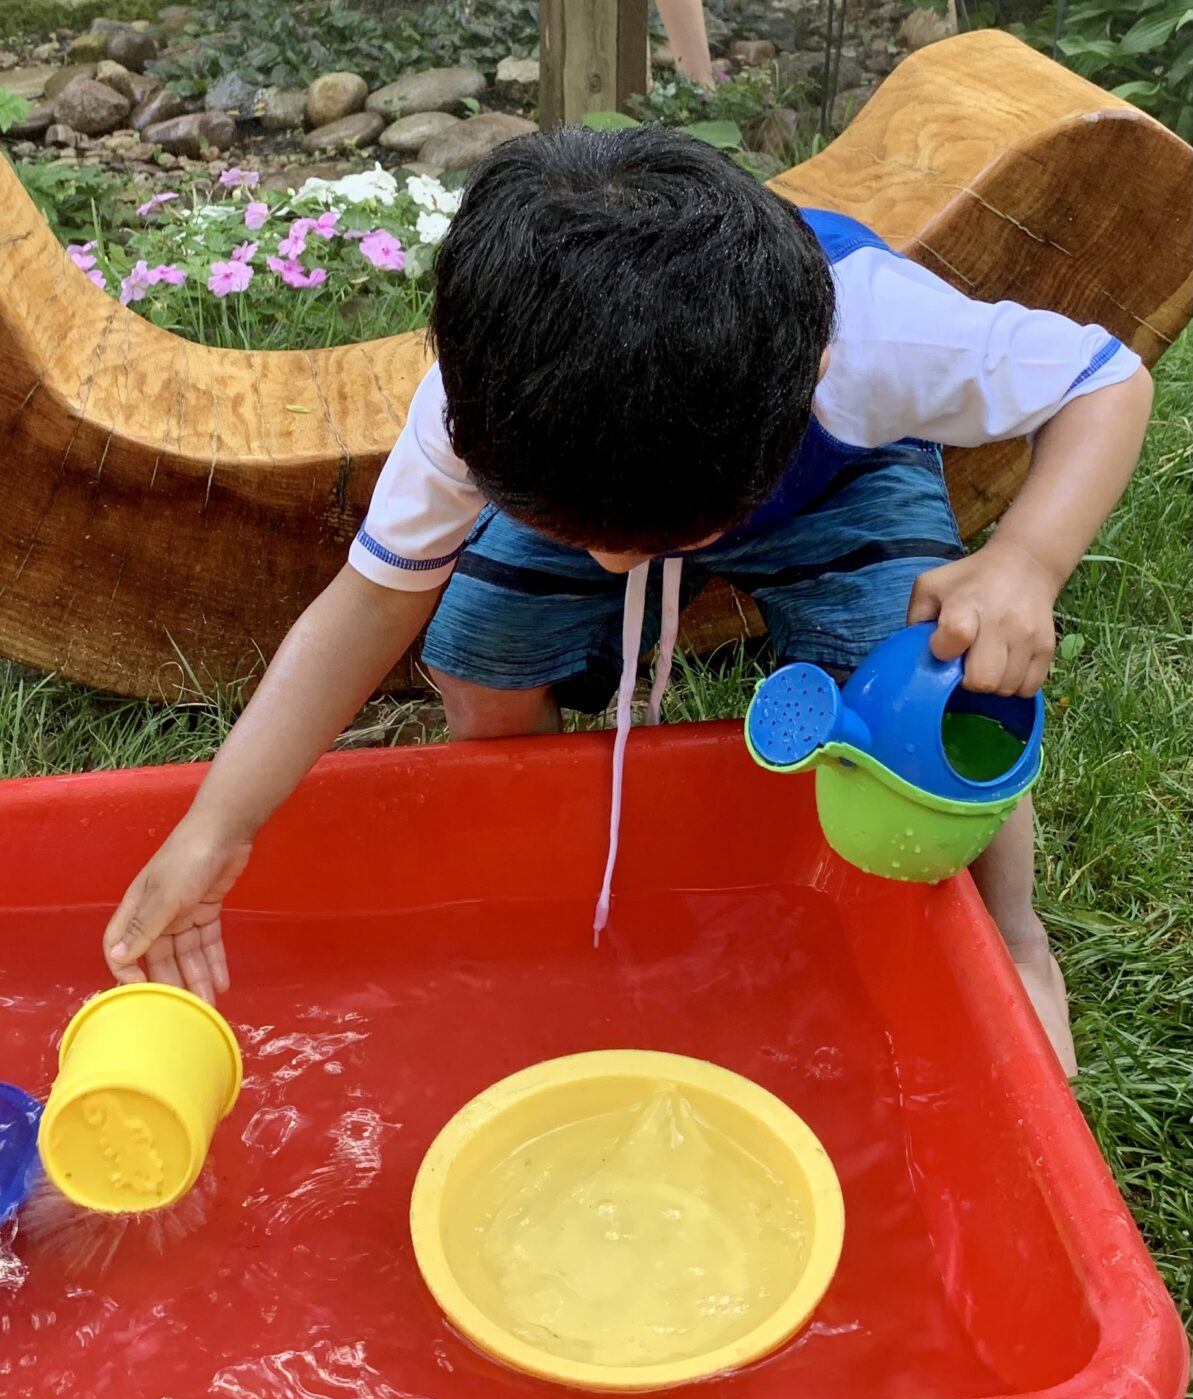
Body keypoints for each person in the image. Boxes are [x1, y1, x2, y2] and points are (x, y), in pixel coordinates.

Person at [104, 128, 1152, 1078]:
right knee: (477, 651)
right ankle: (538, 845)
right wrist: (217, 825)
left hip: (841, 479)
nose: (611, 567)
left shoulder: (881, 334)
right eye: (581, 538)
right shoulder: (490, 402)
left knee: (942, 683)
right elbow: (368, 605)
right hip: (617, 463)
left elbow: (1105, 381)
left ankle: (1009, 928)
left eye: (644, 546)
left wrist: (1022, 562)